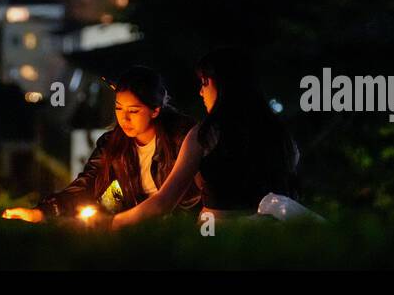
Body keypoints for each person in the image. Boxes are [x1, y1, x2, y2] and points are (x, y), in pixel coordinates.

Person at [111, 48, 301, 229]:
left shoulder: (206, 134)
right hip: (271, 237)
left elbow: (164, 201)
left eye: (204, 83)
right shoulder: (278, 132)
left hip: (216, 238)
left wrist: (114, 222)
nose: (201, 92)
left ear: (223, 84)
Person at [3, 65, 200, 222]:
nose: (124, 118)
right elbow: (87, 185)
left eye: (133, 111)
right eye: (118, 108)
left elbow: (193, 197)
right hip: (134, 229)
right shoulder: (112, 144)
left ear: (155, 110)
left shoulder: (183, 138)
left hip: (179, 228)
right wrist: (42, 212)